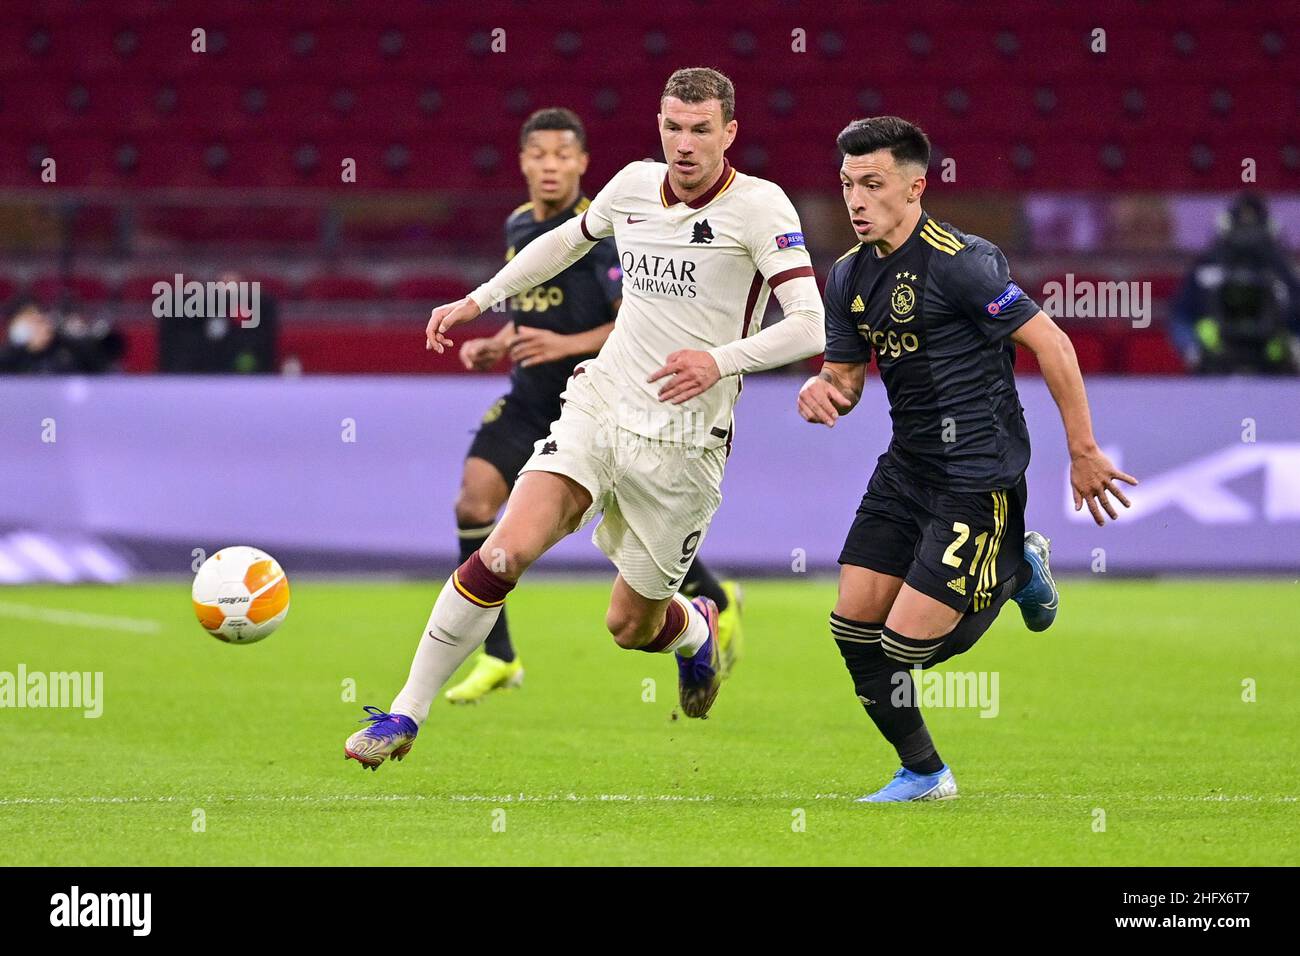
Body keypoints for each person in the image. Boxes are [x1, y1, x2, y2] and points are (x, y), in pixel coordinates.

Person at [344, 67, 825, 768]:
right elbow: (565, 242)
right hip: (600, 406)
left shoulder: (761, 208)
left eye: (699, 130)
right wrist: (478, 300)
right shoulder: (631, 187)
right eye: (672, 127)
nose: (684, 144)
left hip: (686, 441)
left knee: (630, 626)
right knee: (501, 553)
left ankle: (695, 630)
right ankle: (404, 714)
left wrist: (719, 362)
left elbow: (811, 327)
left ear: (729, 133)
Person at [798, 116, 1138, 802]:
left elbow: (1055, 347)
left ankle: (1017, 567)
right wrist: (823, 390)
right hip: (907, 468)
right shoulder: (847, 277)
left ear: (916, 187)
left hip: (978, 476)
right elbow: (847, 378)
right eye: (846, 185)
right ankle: (925, 773)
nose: (856, 200)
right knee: (852, 629)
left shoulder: (962, 260)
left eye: (872, 183)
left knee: (909, 651)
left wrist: (1083, 452)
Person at [445, 107, 743, 703]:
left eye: (563, 155)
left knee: (634, 553)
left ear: (583, 164)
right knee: (475, 498)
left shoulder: (610, 228)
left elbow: (630, 324)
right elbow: (537, 308)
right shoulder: (519, 227)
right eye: (539, 154)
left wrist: (561, 345)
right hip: (532, 399)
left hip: (605, 403)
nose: (550, 165)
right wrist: (497, 343)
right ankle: (498, 655)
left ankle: (709, 598)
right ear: (523, 161)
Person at [1170, 193, 1300, 374]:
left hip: (1273, 364)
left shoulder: (1280, 268)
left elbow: (1296, 315)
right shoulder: (1208, 264)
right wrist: (1193, 350)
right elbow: (1181, 316)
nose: (1247, 233)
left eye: (1254, 225)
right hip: (1215, 362)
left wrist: (1295, 349)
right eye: (1242, 225)